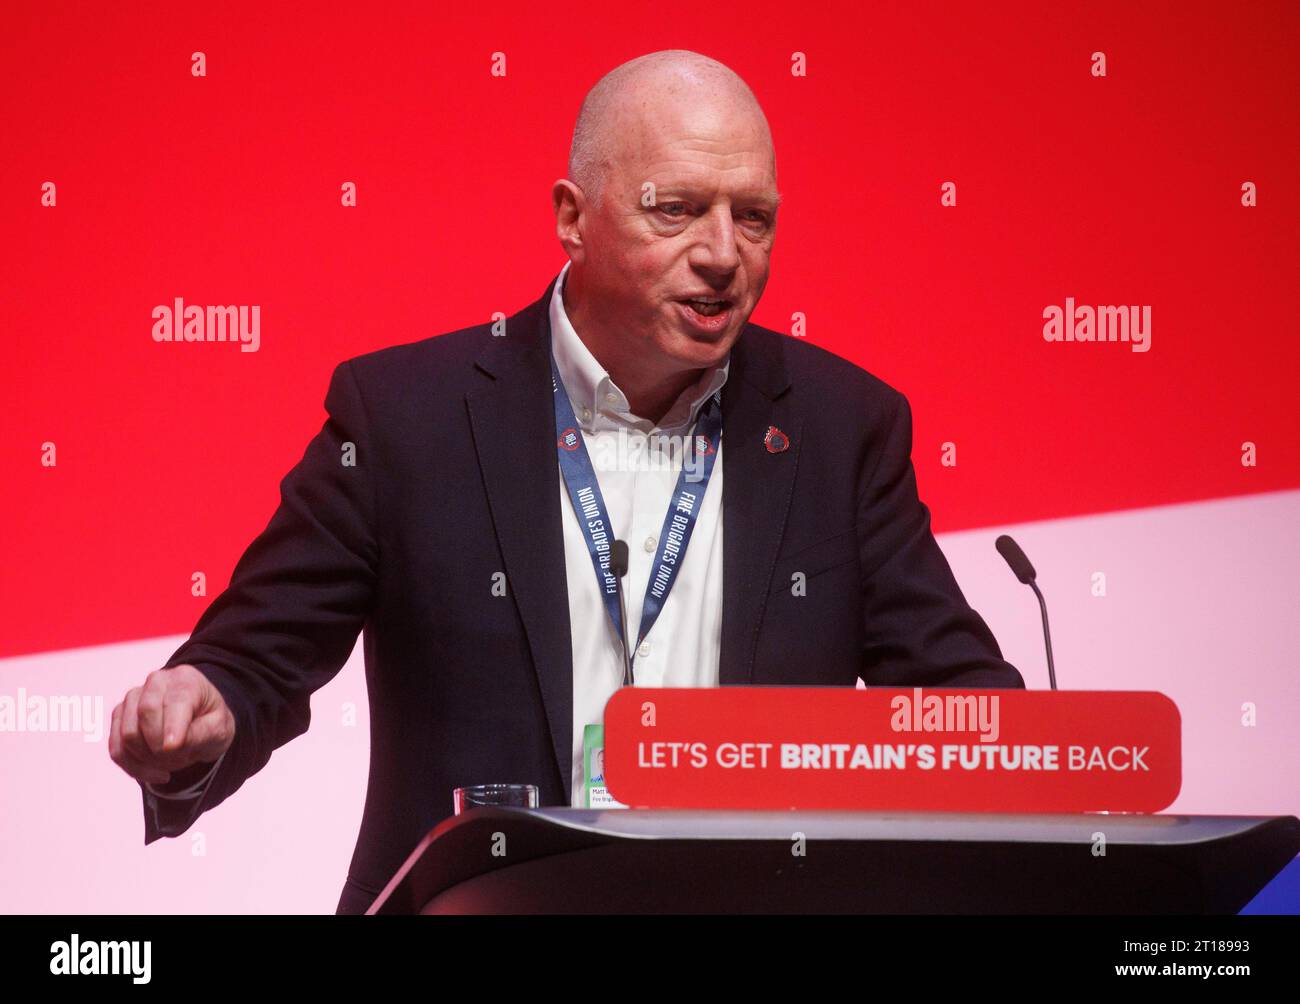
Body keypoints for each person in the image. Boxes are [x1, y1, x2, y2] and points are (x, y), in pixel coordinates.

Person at [108, 49, 1023, 914]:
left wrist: (1051, 777)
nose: (722, 253)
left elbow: (964, 711)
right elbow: (255, 658)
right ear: (572, 217)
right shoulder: (405, 417)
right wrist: (201, 715)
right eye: (676, 209)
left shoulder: (840, 427)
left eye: (753, 216)